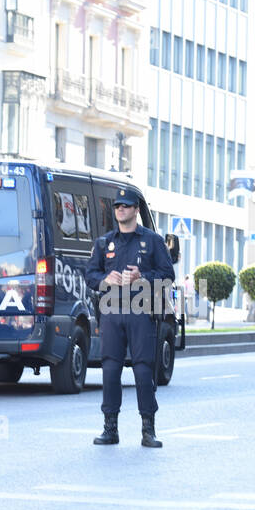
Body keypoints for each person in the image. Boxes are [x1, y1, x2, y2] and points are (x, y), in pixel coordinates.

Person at [85, 187, 175, 448]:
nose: (120, 209)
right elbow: (90, 275)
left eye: (125, 205)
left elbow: (168, 275)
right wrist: (104, 279)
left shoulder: (152, 241)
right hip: (112, 312)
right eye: (117, 206)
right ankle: (110, 428)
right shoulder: (104, 243)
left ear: (136, 210)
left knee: (143, 370)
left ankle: (148, 429)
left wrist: (142, 277)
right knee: (110, 370)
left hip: (141, 311)